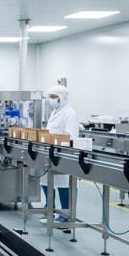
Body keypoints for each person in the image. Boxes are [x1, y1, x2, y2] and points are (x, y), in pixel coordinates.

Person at [40, 84, 80, 224]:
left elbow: (71, 136)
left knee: (64, 183)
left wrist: (56, 141)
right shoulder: (55, 112)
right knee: (45, 179)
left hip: (63, 154)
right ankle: (50, 208)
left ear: (62, 98)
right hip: (51, 152)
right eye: (50, 97)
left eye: (53, 97)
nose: (51, 100)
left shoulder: (69, 113)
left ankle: (66, 214)